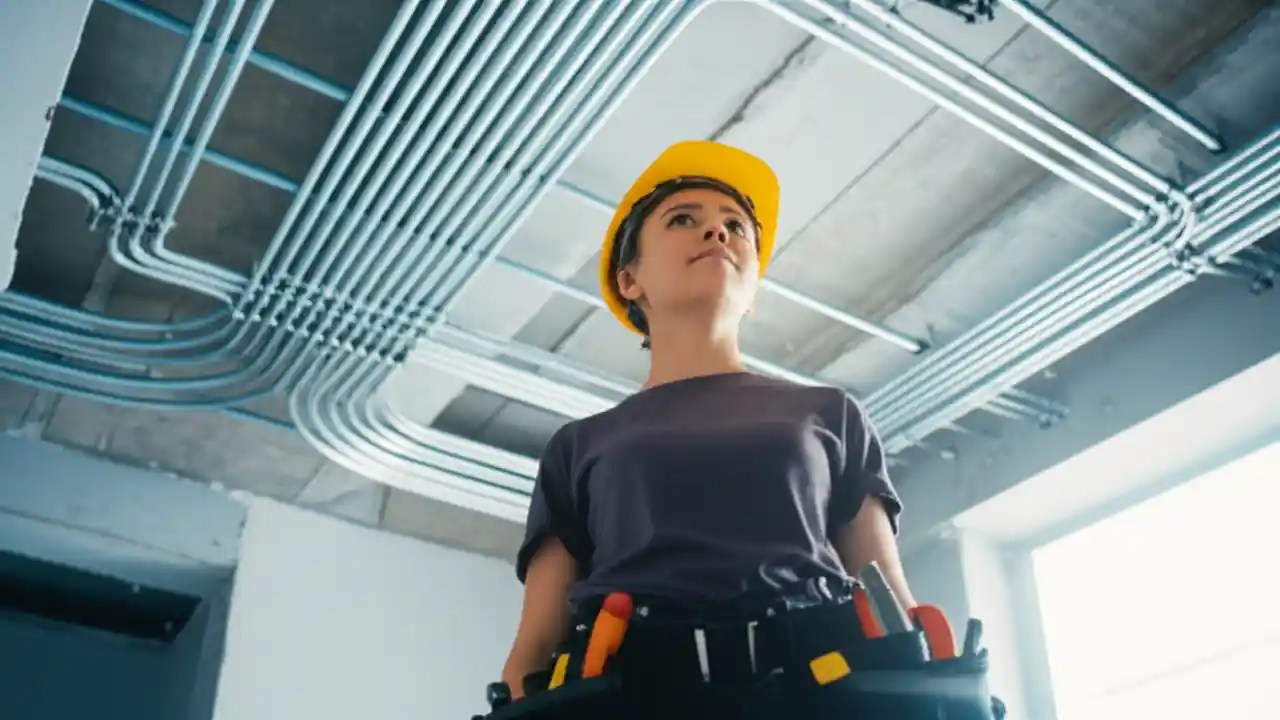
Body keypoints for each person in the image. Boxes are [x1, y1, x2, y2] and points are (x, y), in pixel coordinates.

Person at [500, 140, 918, 718]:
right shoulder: (578, 447)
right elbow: (533, 652)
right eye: (683, 220)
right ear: (630, 280)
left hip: (820, 692)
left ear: (752, 289)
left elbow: (892, 604)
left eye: (736, 227)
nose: (718, 234)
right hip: (635, 700)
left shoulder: (831, 414)